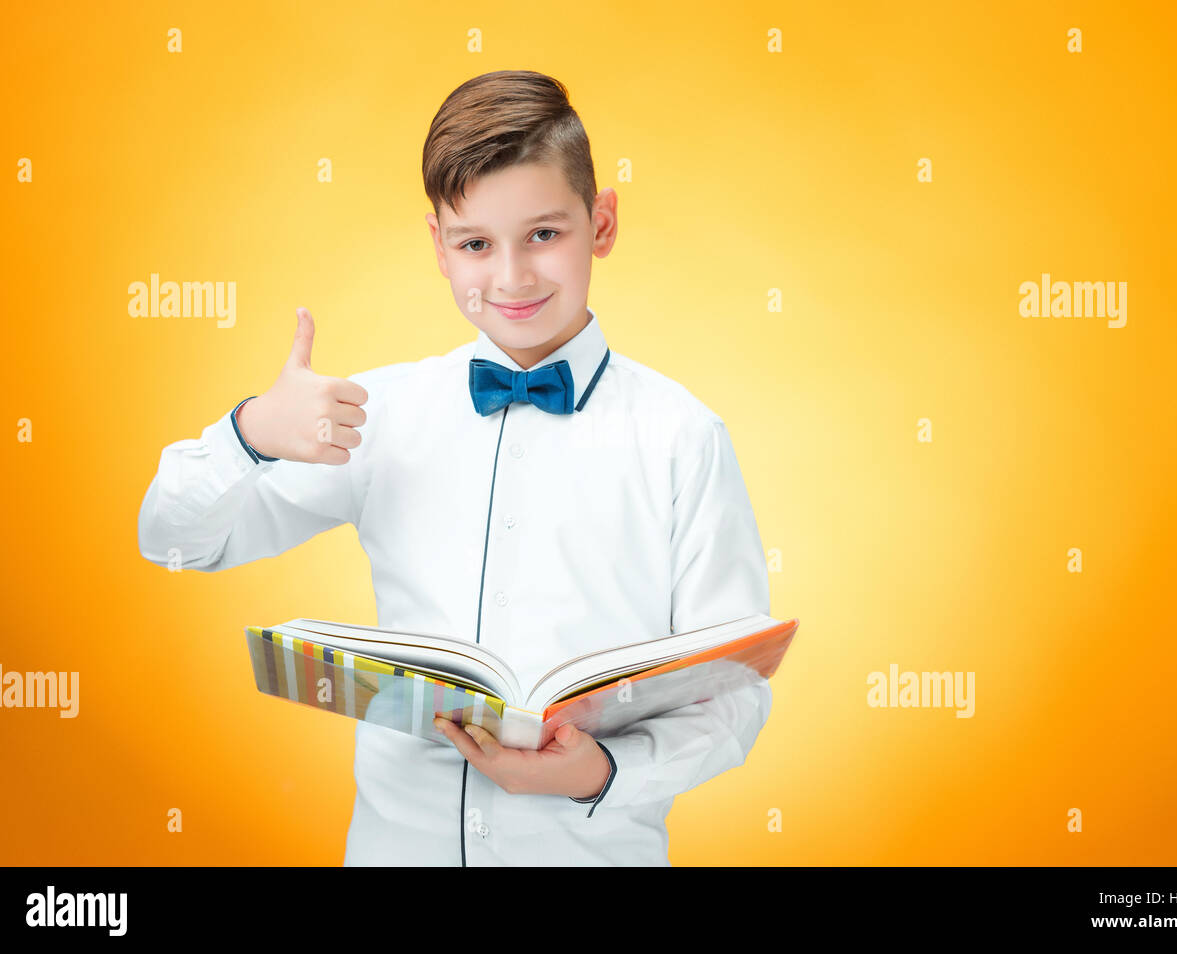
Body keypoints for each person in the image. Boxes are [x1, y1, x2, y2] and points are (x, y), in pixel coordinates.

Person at [137, 69, 773, 866]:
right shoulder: (381, 415)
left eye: (545, 234)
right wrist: (251, 433)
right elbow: (173, 540)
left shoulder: (683, 436)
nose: (511, 277)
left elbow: (735, 695)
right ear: (438, 246)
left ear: (601, 221)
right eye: (476, 244)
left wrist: (603, 770)